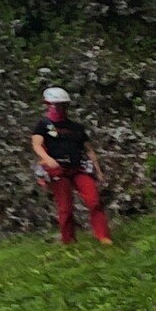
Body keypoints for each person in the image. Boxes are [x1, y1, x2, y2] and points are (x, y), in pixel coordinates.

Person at [30, 86, 112, 245]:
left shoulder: (76, 127)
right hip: (58, 170)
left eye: (63, 105)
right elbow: (37, 144)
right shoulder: (43, 125)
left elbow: (88, 150)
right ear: (48, 105)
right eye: (56, 105)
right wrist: (47, 159)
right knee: (65, 208)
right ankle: (68, 241)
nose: (60, 108)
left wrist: (98, 170)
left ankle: (103, 236)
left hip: (78, 168)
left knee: (94, 200)